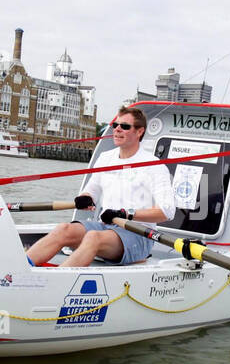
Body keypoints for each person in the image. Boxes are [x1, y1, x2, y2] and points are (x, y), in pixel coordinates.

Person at [26, 106, 175, 267]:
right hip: (106, 226)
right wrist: (85, 198)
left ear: (139, 132)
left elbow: (166, 212)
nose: (117, 129)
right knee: (63, 229)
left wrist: (125, 213)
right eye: (115, 125)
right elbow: (92, 191)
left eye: (124, 126)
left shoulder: (155, 167)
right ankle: (19, 271)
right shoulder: (105, 158)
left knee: (92, 237)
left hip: (139, 234)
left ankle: (56, 283)